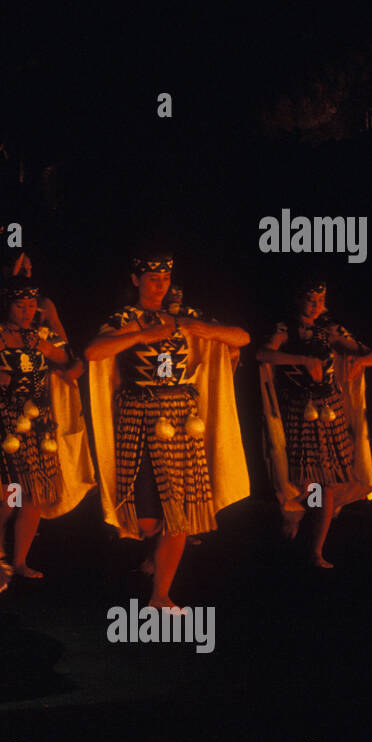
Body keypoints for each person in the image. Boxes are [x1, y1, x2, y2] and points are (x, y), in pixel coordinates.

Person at [85, 255, 250, 610]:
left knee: (180, 515)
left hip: (180, 419)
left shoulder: (185, 316)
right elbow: (93, 351)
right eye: (152, 278)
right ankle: (152, 552)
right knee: (147, 522)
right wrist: (143, 335)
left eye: (165, 277)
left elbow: (242, 337)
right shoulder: (125, 319)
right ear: (135, 280)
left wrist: (207, 330)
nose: (160, 284)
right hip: (140, 418)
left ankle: (160, 595)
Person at [0, 280, 92, 578]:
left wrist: (73, 370)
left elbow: (72, 361)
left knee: (34, 493)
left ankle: (19, 561)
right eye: (21, 306)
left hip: (38, 422)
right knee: (9, 492)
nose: (28, 312)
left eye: (32, 306)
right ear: (7, 306)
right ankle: (0, 530)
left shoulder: (40, 338)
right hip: (0, 418)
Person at [257, 280, 372, 567]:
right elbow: (262, 354)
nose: (317, 305)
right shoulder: (285, 328)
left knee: (329, 483)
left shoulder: (331, 330)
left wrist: (360, 362)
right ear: (298, 299)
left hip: (330, 409)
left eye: (321, 299)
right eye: (311, 299)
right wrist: (301, 359)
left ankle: (316, 549)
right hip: (300, 408)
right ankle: (296, 512)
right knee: (306, 479)